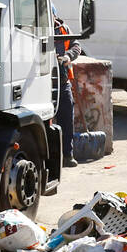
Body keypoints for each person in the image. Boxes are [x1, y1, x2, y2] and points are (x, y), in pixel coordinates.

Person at [53, 10, 82, 167]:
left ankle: (67, 155)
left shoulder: (63, 29)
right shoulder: (35, 28)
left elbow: (76, 45)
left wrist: (68, 56)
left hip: (62, 81)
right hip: (43, 81)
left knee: (67, 119)